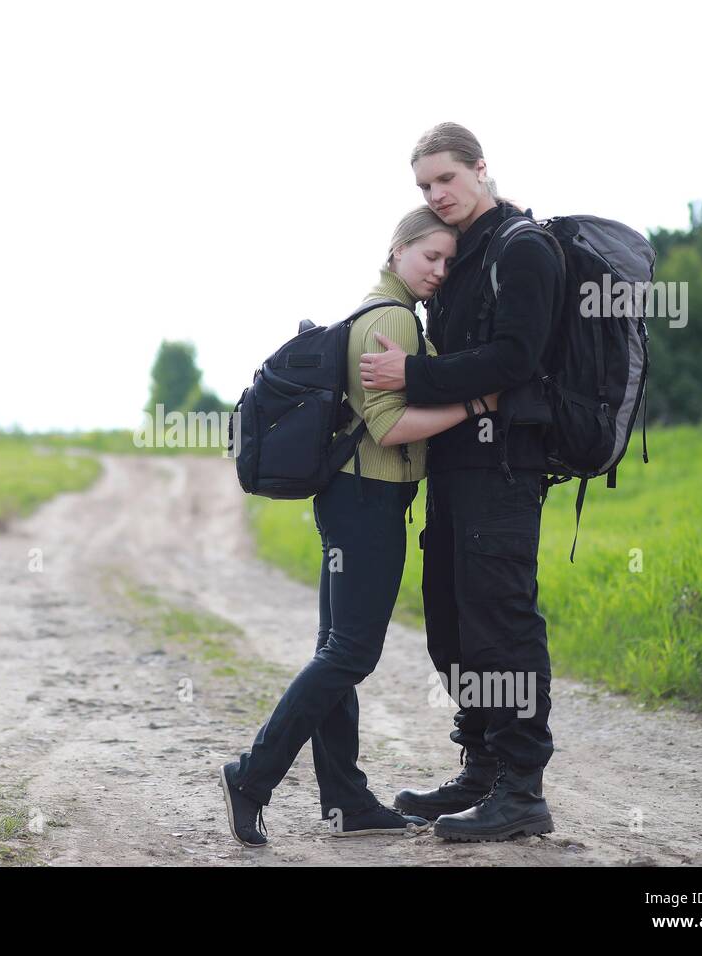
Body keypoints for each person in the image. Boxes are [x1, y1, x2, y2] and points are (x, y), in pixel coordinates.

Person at [220, 206, 500, 847]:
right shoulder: (393, 317)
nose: (439, 271)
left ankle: (344, 796)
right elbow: (390, 426)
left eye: (449, 263)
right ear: (398, 249)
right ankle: (252, 776)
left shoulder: (375, 310)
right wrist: (477, 402)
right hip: (368, 499)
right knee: (351, 652)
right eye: (430, 256)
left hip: (349, 497)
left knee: (336, 649)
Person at [359, 122, 563, 842]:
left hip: (504, 469)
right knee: (451, 625)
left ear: (481, 168)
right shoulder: (459, 259)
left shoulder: (523, 249)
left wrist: (411, 375)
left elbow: (515, 358)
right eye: (423, 186)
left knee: (501, 624)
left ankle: (521, 790)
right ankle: (479, 770)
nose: (436, 195)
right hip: (453, 469)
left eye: (446, 178)